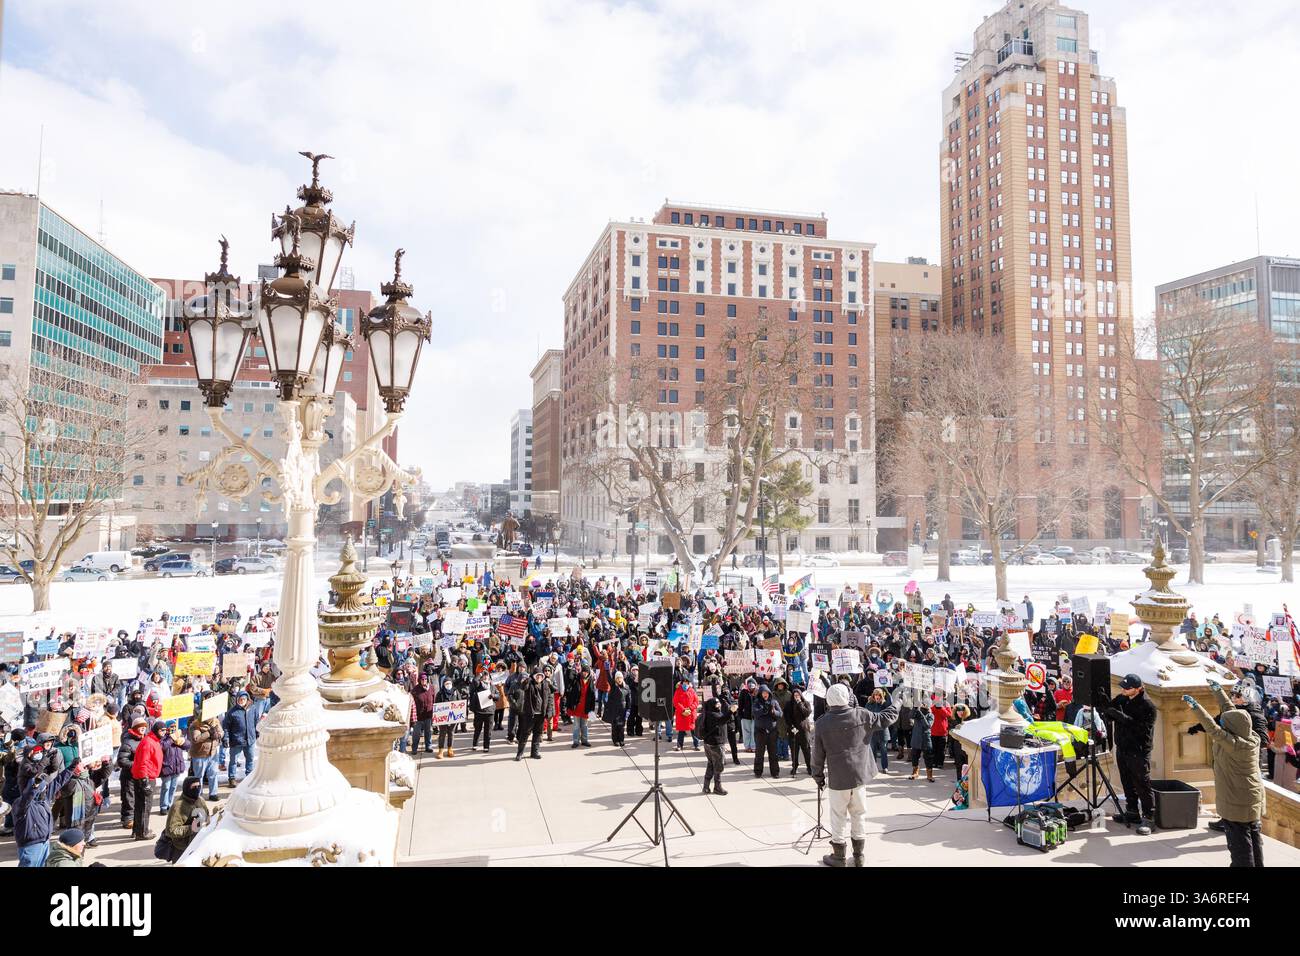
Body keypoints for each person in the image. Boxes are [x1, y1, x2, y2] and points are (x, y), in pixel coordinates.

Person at [812, 682, 900, 867]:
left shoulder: (821, 723)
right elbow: (887, 717)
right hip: (859, 776)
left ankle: (839, 857)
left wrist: (818, 776)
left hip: (838, 778)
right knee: (859, 814)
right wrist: (898, 702)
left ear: (828, 700)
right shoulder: (862, 714)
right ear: (847, 697)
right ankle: (859, 856)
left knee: (838, 816)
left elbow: (817, 755)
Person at [1182, 690, 1264, 866]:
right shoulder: (1251, 738)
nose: (1222, 724)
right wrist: (1219, 692)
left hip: (1237, 800)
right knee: (1254, 836)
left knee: (1239, 844)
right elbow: (1234, 713)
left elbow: (1212, 727)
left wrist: (1196, 707)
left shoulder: (1233, 744)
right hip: (1253, 797)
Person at [1107, 673, 1156, 835]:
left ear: (1138, 689)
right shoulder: (1123, 698)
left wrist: (1121, 717)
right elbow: (1109, 710)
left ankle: (1149, 816)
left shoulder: (1147, 706)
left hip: (1138, 750)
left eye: (1128, 688)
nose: (1124, 690)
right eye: (1123, 687)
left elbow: (1140, 729)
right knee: (1126, 781)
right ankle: (1132, 811)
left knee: (1142, 783)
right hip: (1122, 747)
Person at [13, 761, 77, 867]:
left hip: (45, 842)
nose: (46, 790)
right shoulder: (21, 803)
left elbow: (58, 782)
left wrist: (71, 768)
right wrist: (34, 786)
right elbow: (28, 796)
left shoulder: (44, 799)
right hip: (31, 846)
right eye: (44, 788)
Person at [158, 776, 208, 864]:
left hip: (198, 844)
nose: (197, 789)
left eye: (199, 786)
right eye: (193, 787)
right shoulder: (178, 806)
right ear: (187, 788)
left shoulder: (200, 800)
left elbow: (206, 816)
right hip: (182, 849)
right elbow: (171, 830)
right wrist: (191, 828)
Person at [130, 720, 165, 841]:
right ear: (156, 730)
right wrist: (145, 780)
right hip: (145, 777)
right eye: (162, 730)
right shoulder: (149, 742)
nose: (164, 733)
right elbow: (143, 762)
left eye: (165, 730)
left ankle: (138, 830)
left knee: (141, 806)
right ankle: (142, 832)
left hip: (146, 776)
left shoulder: (152, 740)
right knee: (145, 807)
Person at [698, 693, 736, 795]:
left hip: (708, 744)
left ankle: (706, 786)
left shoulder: (707, 714)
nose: (719, 705)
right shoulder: (713, 715)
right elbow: (722, 720)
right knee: (718, 766)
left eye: (719, 703)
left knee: (711, 764)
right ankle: (717, 787)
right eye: (716, 704)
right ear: (712, 706)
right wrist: (731, 711)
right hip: (716, 745)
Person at [188, 699, 223, 801]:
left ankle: (213, 793)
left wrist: (218, 734)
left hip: (213, 753)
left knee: (213, 774)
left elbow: (221, 732)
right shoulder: (195, 724)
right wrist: (209, 733)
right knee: (199, 776)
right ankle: (198, 794)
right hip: (200, 754)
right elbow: (196, 738)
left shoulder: (216, 722)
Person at [514, 668, 553, 761]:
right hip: (530, 714)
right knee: (525, 734)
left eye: (541, 675)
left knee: (537, 734)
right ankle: (519, 753)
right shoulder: (529, 684)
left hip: (541, 714)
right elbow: (523, 687)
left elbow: (549, 699)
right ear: (534, 676)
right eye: (537, 676)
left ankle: (534, 752)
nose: (539, 677)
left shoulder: (546, 684)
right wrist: (528, 679)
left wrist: (549, 711)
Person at [222, 691, 256, 784]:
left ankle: (249, 777)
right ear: (237, 700)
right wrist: (226, 738)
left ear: (247, 700)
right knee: (233, 760)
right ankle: (232, 778)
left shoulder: (252, 709)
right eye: (239, 699)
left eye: (243, 699)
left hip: (250, 739)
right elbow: (225, 727)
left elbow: (256, 722)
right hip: (236, 740)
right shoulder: (231, 712)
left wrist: (257, 733)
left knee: (250, 759)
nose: (241, 701)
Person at [751, 683, 783, 778]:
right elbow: (755, 713)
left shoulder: (774, 702)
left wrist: (773, 712)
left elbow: (780, 714)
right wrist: (763, 710)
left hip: (772, 731)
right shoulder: (757, 702)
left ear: (769, 693)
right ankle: (758, 772)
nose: (765, 695)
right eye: (763, 693)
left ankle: (775, 772)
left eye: (767, 693)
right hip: (760, 731)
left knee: (773, 753)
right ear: (760, 693)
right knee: (759, 753)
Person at [566, 664, 596, 748]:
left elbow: (593, 696)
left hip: (586, 707)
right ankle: (576, 741)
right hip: (577, 707)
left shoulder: (590, 681)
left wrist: (592, 709)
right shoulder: (576, 679)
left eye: (586, 672)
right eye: (583, 671)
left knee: (584, 726)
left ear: (589, 672)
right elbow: (570, 677)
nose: (585, 673)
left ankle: (584, 740)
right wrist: (570, 667)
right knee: (576, 726)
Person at [785, 687, 813, 775]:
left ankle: (809, 767)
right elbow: (787, 717)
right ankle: (794, 767)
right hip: (794, 731)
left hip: (804, 730)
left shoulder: (805, 703)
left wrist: (800, 703)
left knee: (806, 750)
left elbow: (806, 713)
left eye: (798, 695)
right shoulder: (789, 704)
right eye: (795, 695)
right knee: (794, 750)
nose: (796, 697)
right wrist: (791, 727)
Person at [410, 674, 436, 754]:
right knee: (416, 734)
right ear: (419, 680)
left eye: (425, 679)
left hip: (428, 714)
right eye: (422, 679)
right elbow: (412, 702)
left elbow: (434, 699)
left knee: (428, 732)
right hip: (418, 716)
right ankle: (414, 748)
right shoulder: (415, 690)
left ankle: (428, 746)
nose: (424, 681)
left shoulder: (431, 688)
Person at [673, 677, 700, 751]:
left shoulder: (692, 691)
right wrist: (683, 710)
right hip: (682, 714)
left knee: (693, 730)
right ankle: (679, 745)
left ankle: (696, 744)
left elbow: (696, 702)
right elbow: (675, 702)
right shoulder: (678, 691)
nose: (685, 684)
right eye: (684, 682)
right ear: (681, 683)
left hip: (691, 714)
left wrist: (690, 708)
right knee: (681, 731)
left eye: (687, 682)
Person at [604, 671, 629, 746]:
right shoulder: (613, 686)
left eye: (620, 678)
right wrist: (607, 670)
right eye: (617, 678)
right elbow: (609, 679)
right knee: (614, 726)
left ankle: (621, 739)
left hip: (622, 710)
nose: (619, 679)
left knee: (621, 726)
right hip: (614, 710)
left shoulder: (626, 687)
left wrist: (628, 709)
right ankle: (615, 740)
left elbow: (628, 699)